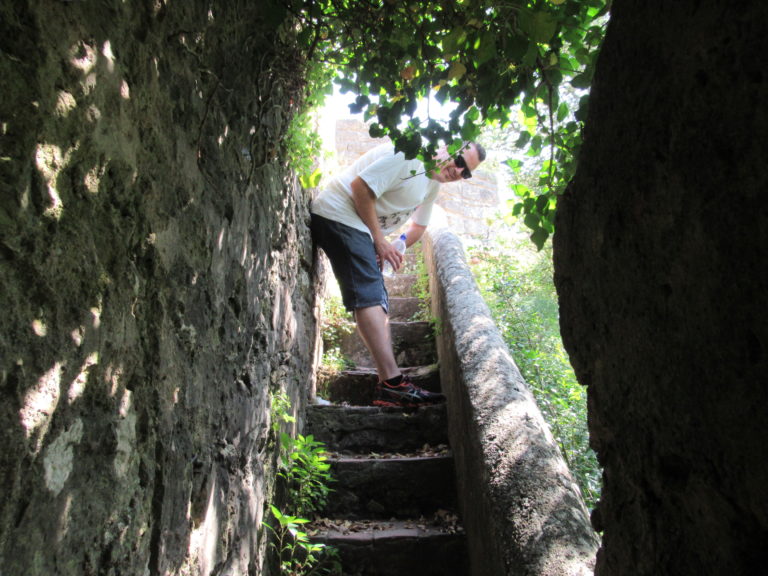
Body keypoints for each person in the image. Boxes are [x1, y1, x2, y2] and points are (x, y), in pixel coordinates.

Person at [311, 141, 486, 407]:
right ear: (446, 146)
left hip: (357, 226)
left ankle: (390, 386)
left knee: (377, 294)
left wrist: (398, 242)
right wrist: (380, 240)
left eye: (466, 173)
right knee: (370, 293)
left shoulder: (432, 183)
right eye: (459, 161)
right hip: (338, 213)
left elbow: (420, 225)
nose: (458, 172)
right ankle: (392, 385)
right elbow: (360, 187)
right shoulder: (409, 157)